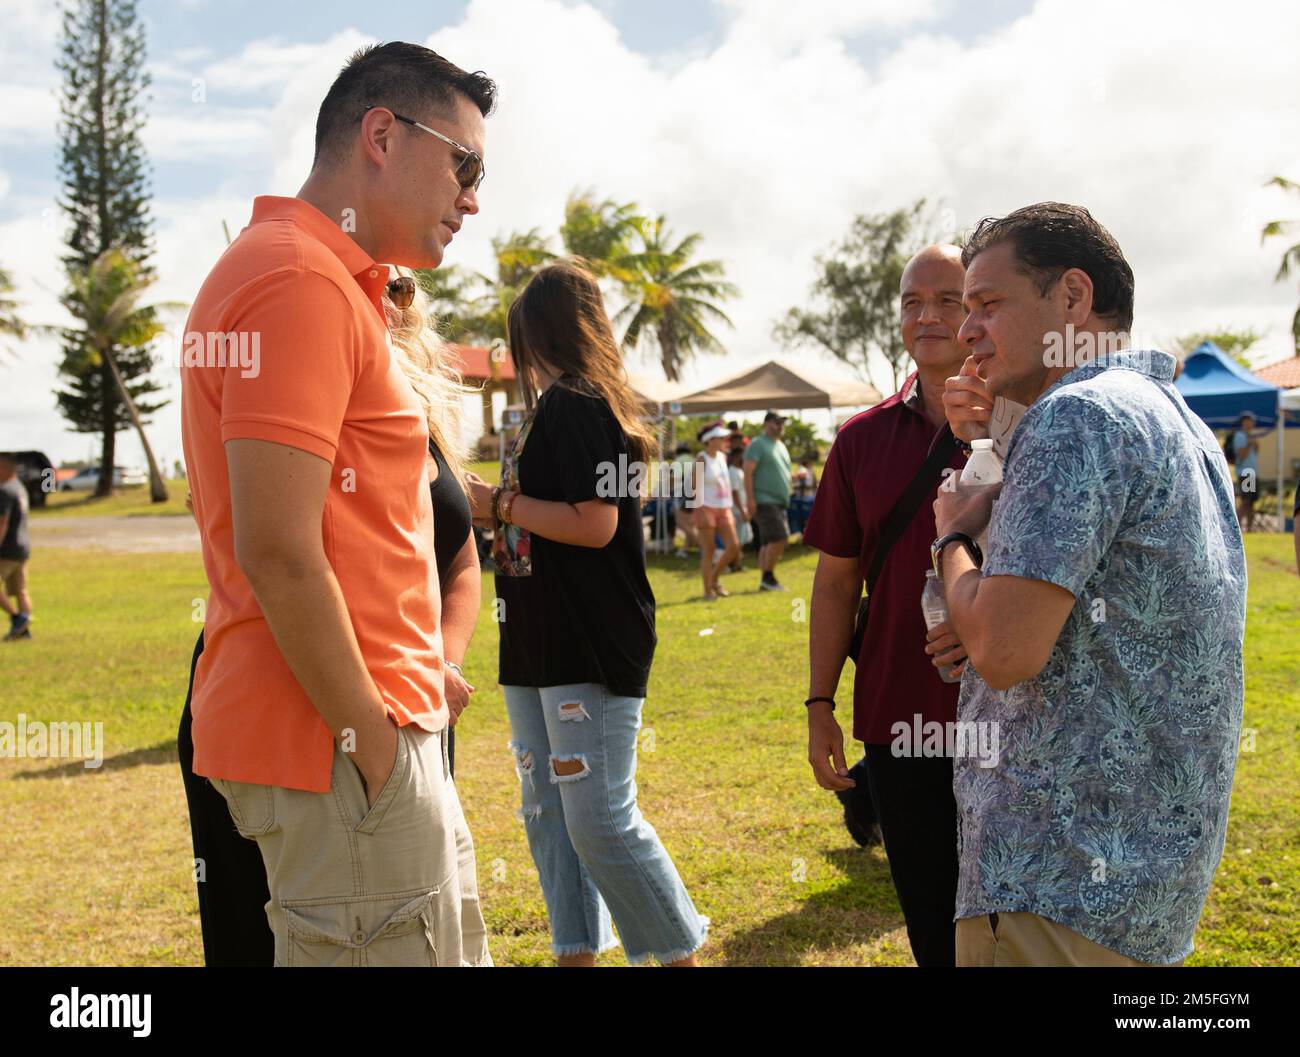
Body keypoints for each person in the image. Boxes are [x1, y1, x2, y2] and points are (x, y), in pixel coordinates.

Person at [179, 41, 496, 967]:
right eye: (465, 164)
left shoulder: (319, 278)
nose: (473, 196)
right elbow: (278, 549)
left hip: (361, 745)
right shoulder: (300, 280)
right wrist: (375, 751)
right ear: (383, 136)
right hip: (341, 753)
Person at [937, 202, 1245, 967]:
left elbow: (1004, 650)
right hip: (1142, 895)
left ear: (1073, 297)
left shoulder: (1076, 416)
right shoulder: (1180, 423)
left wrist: (952, 536)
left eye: (989, 303)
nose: (967, 329)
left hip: (1053, 884)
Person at [466, 260, 708, 967]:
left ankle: (677, 951)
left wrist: (500, 504)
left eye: (522, 338)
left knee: (598, 817)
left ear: (545, 331)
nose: (520, 358)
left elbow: (595, 523)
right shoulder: (563, 406)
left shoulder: (577, 403)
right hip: (537, 643)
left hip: (586, 642)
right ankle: (576, 950)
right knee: (549, 813)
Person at [804, 245, 970, 966]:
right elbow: (836, 582)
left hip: (1013, 714)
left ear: (981, 312)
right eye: (912, 301)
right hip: (898, 715)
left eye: (950, 299)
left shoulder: (1033, 427)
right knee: (932, 922)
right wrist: (818, 703)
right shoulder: (859, 440)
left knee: (1016, 920)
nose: (927, 315)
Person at [691, 423, 741, 599]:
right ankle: (707, 591)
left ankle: (713, 579)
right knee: (709, 550)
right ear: (709, 440)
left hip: (724, 508)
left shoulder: (722, 457)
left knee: (734, 546)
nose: (724, 440)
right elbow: (693, 486)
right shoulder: (701, 458)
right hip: (706, 508)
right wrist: (700, 511)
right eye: (720, 438)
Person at [744, 411, 793, 591]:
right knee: (780, 537)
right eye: (776, 422)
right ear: (766, 424)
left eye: (782, 422)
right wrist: (750, 499)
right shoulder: (757, 444)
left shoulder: (780, 445)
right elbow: (748, 472)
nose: (780, 425)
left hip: (779, 501)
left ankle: (765, 579)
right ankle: (768, 578)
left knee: (768, 542)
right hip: (764, 500)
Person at [0, 454, 32, 642]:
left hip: (7, 549)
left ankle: (17, 618)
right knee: (20, 590)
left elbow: (2, 522)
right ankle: (24, 629)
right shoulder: (20, 488)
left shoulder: (4, 491)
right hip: (22, 547)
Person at [1231, 412, 1261, 532]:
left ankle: (1249, 528)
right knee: (1246, 501)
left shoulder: (1250, 436)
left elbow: (1256, 452)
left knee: (1251, 502)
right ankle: (1235, 527)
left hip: (1252, 472)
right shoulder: (1240, 436)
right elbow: (1242, 455)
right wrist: (1249, 443)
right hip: (1246, 472)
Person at [727, 447, 751, 570]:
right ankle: (734, 564)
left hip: (742, 508)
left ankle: (736, 563)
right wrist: (742, 510)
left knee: (742, 539)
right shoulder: (732, 471)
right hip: (736, 510)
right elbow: (734, 492)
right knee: (738, 540)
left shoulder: (739, 470)